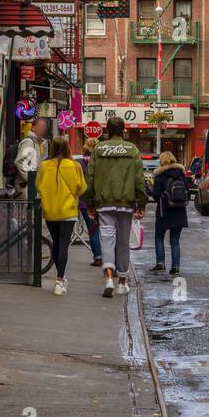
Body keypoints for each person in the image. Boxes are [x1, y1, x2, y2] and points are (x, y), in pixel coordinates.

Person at [83, 116, 147, 298]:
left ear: (107, 130)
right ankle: (122, 282)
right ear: (123, 130)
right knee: (123, 242)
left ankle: (109, 278)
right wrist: (141, 203)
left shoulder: (98, 149)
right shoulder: (132, 150)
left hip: (104, 203)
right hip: (126, 203)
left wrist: (90, 203)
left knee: (107, 239)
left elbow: (91, 178)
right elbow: (139, 179)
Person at [37, 137, 85, 296]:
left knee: (56, 243)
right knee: (63, 244)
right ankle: (59, 280)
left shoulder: (44, 166)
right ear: (66, 149)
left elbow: (38, 185)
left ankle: (61, 277)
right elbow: (81, 187)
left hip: (50, 211)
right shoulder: (74, 166)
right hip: (68, 211)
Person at [150, 150, 191, 275]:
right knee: (175, 240)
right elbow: (187, 191)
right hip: (179, 211)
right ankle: (175, 266)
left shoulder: (160, 175)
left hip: (164, 211)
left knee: (159, 237)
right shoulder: (181, 174)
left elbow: (156, 195)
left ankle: (160, 263)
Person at [79, 137, 103, 266]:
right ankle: (108, 255)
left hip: (84, 201)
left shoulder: (80, 163)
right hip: (101, 200)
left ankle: (98, 256)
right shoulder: (102, 163)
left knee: (92, 229)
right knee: (105, 229)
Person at [12, 117, 50, 199]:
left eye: (44, 128)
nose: (42, 130)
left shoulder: (37, 143)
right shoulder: (29, 142)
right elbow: (20, 161)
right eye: (40, 127)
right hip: (25, 186)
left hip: (30, 187)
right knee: (28, 210)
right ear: (33, 127)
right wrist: (31, 179)